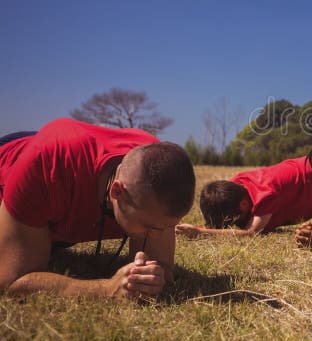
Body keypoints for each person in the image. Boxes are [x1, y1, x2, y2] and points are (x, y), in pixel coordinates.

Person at [0, 118, 195, 300]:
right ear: (117, 192)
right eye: (150, 227)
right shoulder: (47, 169)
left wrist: (152, 279)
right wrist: (106, 288)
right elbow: (11, 281)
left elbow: (162, 271)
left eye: (166, 227)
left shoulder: (155, 182)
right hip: (13, 160)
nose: (157, 236)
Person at [176, 157, 312, 237]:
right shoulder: (234, 186)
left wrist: (200, 232)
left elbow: (250, 233)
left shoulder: (264, 196)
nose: (234, 225)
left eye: (233, 221)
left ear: (244, 205)